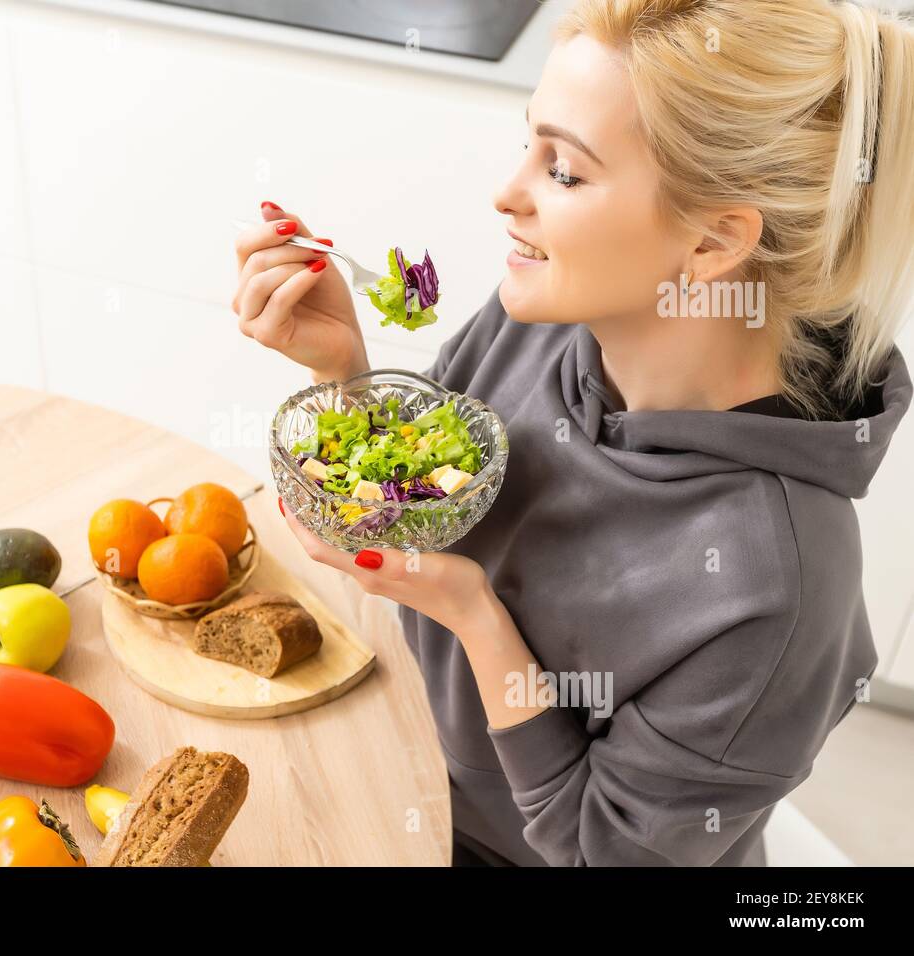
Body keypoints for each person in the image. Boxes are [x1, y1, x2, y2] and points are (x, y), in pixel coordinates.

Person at [230, 0, 913, 866]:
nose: (507, 194)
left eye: (564, 172)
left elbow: (601, 856)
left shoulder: (774, 588)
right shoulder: (548, 318)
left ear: (714, 242)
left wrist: (477, 618)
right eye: (530, 144)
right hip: (404, 767)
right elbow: (416, 509)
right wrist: (346, 375)